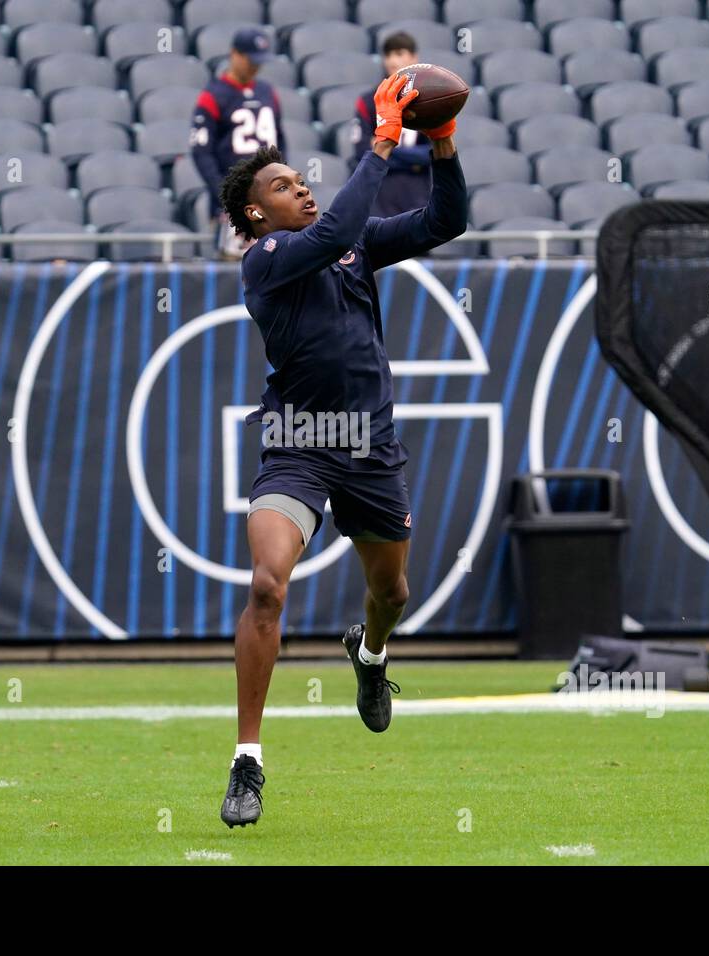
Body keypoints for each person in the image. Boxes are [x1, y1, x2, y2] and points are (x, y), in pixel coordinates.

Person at [215, 73, 465, 827]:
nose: (305, 191)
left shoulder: (349, 243)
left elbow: (443, 221)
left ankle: (372, 657)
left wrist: (441, 140)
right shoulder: (264, 260)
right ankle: (248, 761)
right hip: (299, 441)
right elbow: (330, 232)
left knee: (391, 596)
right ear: (259, 212)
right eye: (288, 185)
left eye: (304, 180)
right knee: (267, 584)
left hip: (370, 443)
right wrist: (384, 141)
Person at [190, 27, 287, 259]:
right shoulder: (213, 95)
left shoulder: (267, 92)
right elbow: (201, 152)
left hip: (268, 198)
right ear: (234, 54)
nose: (255, 67)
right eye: (250, 60)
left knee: (273, 262)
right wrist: (225, 194)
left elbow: (279, 139)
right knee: (234, 268)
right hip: (233, 199)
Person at [352, 32, 432, 217]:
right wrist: (412, 161)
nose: (392, 60)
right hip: (379, 197)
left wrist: (385, 149)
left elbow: (431, 154)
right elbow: (362, 152)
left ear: (414, 58)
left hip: (417, 197)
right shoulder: (369, 100)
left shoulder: (428, 101)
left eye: (399, 53)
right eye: (388, 55)